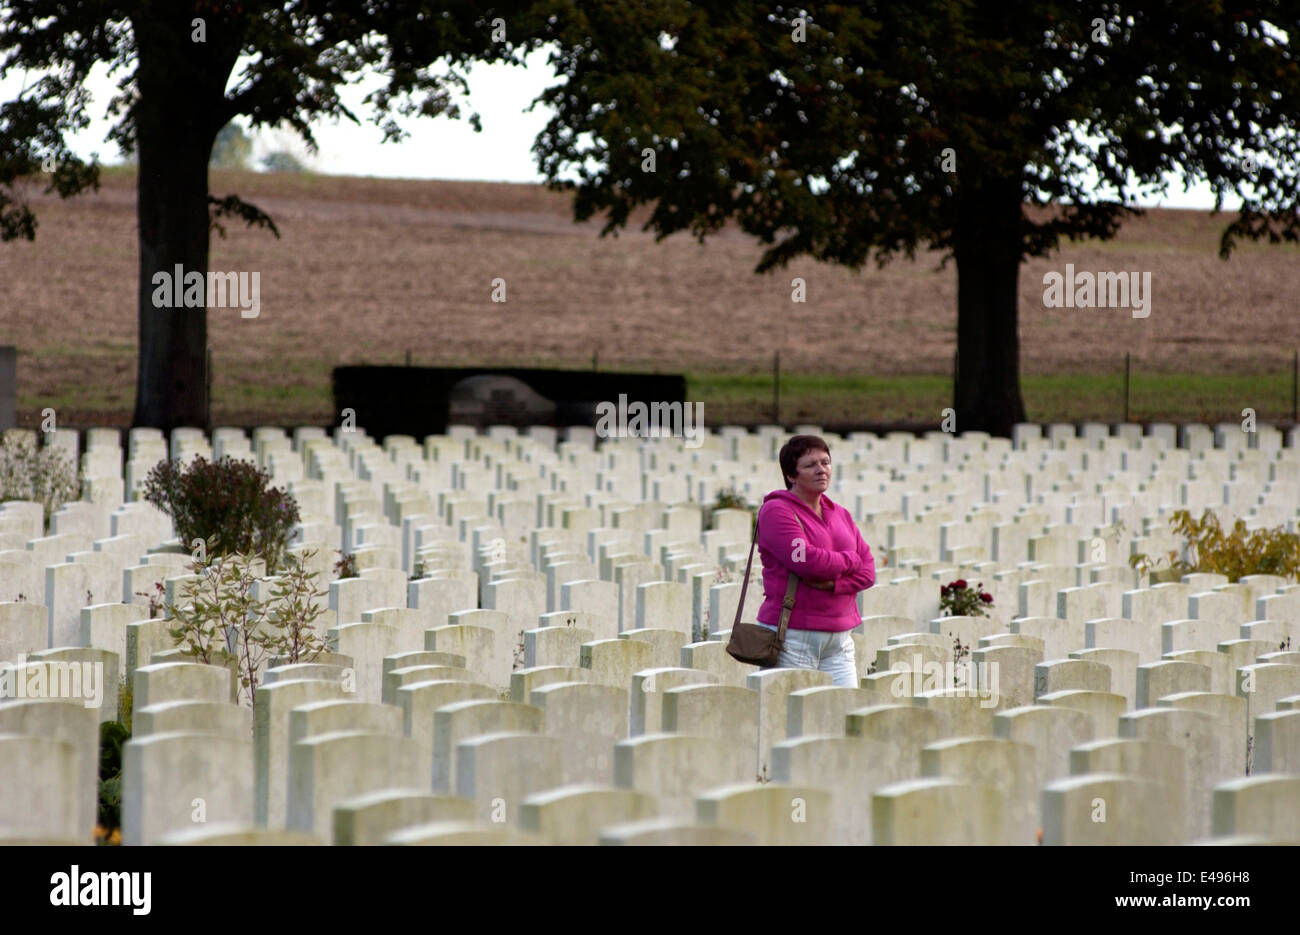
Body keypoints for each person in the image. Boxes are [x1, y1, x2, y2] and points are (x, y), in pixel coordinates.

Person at [752, 434, 876, 687]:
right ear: (791, 475)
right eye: (810, 465)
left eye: (825, 462)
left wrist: (834, 585)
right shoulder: (777, 511)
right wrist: (850, 560)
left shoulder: (840, 513)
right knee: (792, 720)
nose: (822, 470)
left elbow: (869, 572)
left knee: (842, 717)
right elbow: (805, 561)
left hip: (840, 639)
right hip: (792, 636)